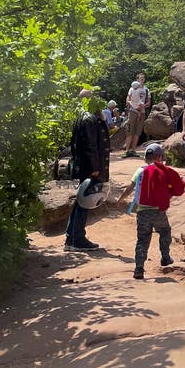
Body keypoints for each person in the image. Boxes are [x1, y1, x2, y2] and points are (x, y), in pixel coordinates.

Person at [120, 143, 185, 279]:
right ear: (160, 157)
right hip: (158, 211)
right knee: (165, 231)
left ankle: (139, 268)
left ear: (146, 157)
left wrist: (121, 199)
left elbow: (130, 187)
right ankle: (165, 257)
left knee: (142, 239)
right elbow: (179, 184)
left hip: (142, 212)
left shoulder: (140, 171)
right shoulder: (163, 171)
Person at [64, 87, 111, 252]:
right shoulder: (89, 118)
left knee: (81, 200)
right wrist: (95, 168)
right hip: (90, 168)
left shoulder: (83, 117)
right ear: (89, 100)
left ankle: (72, 238)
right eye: (93, 98)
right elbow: (90, 146)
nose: (97, 101)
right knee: (85, 202)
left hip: (85, 166)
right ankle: (77, 240)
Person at [123, 74, 151, 157]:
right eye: (140, 78)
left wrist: (144, 106)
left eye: (143, 78)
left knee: (137, 132)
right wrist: (130, 103)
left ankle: (133, 150)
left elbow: (149, 102)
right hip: (133, 111)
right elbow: (128, 98)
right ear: (137, 79)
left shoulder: (146, 89)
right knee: (130, 131)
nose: (142, 79)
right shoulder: (132, 88)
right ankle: (127, 151)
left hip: (142, 112)